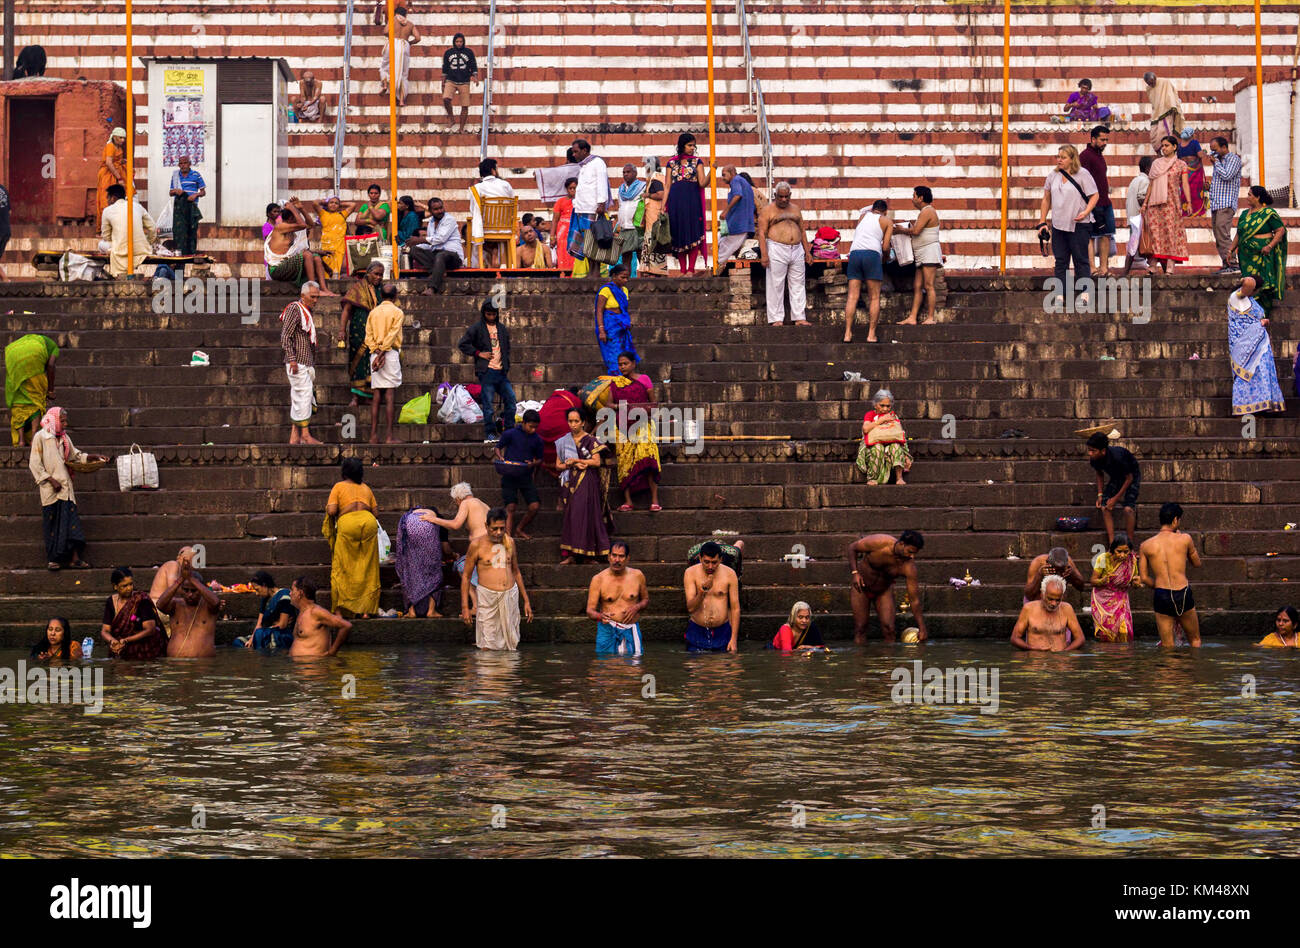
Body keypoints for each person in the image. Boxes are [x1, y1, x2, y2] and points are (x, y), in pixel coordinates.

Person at [29, 407, 101, 571]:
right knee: (53, 525)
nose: (65, 424)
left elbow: (75, 456)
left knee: (72, 524)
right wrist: (51, 480)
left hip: (66, 490)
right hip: (51, 492)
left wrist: (92, 457)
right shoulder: (41, 437)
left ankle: (74, 559)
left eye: (65, 421)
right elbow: (35, 464)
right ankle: (53, 560)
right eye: (62, 421)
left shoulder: (64, 438)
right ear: (54, 420)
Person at [461, 508, 533, 650]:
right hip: (488, 598)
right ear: (486, 526)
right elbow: (466, 576)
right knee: (488, 642)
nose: (499, 532)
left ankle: (507, 672)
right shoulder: (476, 545)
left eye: (502, 528)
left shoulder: (510, 542)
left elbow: (516, 571)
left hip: (510, 596)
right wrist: (465, 607)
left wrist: (526, 601)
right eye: (494, 529)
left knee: (511, 644)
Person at [1138, 502, 1202, 647]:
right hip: (1183, 592)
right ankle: (1194, 668)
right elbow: (1197, 563)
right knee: (1195, 640)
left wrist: (1159, 587)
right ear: (1175, 520)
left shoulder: (1146, 545)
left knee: (1168, 646)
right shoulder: (1185, 539)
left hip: (1162, 594)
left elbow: (1144, 578)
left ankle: (1169, 669)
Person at [1037, 146, 1097, 298]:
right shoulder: (1053, 176)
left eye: (1063, 157)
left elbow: (1095, 195)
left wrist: (1086, 211)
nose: (1059, 160)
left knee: (1080, 259)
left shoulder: (1083, 174)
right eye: (1058, 157)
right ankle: (1060, 294)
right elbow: (1046, 198)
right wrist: (1042, 221)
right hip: (1058, 224)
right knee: (1061, 260)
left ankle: (1085, 293)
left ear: (1072, 159)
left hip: (1080, 224)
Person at [325, 457, 381, 619]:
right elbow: (376, 513)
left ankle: (339, 611)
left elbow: (331, 511)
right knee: (367, 568)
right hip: (368, 523)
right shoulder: (366, 488)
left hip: (348, 525)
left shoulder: (339, 487)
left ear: (344, 471)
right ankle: (365, 611)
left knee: (342, 567)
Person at [848, 531, 927, 643]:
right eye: (910, 552)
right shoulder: (880, 542)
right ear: (901, 544)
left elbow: (914, 600)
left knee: (889, 629)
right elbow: (852, 548)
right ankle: (860, 660)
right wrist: (855, 573)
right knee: (860, 628)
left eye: (914, 553)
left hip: (883, 590)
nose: (911, 556)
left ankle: (889, 660)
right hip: (861, 588)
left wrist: (922, 627)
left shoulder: (909, 567)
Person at [607, 352, 662, 512]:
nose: (622, 367)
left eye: (625, 363)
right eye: (620, 364)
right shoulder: (616, 382)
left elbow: (653, 403)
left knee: (649, 457)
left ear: (633, 364)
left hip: (643, 424)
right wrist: (620, 407)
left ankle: (654, 500)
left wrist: (643, 410)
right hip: (622, 427)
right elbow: (609, 404)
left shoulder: (644, 379)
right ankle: (628, 501)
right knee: (625, 461)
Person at [458, 298, 515, 443]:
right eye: (488, 314)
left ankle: (509, 430)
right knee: (488, 405)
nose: (491, 317)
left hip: (501, 372)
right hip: (487, 372)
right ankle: (490, 432)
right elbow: (463, 344)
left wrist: (506, 365)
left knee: (511, 400)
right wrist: (478, 353)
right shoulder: (477, 328)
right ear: (484, 314)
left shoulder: (501, 329)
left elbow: (506, 348)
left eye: (493, 315)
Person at [1228, 276, 1287, 416]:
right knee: (1247, 374)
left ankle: (1263, 404)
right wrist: (1245, 281)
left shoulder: (1250, 300)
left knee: (1262, 372)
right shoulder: (1237, 297)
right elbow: (1249, 283)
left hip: (1259, 344)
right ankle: (1246, 406)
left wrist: (1261, 322)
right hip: (1244, 344)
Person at [560, 407, 613, 562]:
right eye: (570, 421)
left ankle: (589, 554)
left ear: (583, 422)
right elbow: (558, 465)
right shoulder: (564, 441)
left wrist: (578, 461)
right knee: (572, 515)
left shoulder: (590, 440)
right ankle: (572, 554)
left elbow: (596, 462)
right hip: (569, 481)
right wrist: (571, 465)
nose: (573, 424)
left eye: (576, 421)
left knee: (588, 515)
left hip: (587, 480)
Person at [757, 182, 812, 326]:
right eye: (780, 196)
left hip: (797, 249)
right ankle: (776, 319)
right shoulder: (768, 210)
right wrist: (764, 254)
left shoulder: (795, 209)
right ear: (775, 195)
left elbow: (802, 230)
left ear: (790, 196)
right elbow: (761, 233)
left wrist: (808, 252)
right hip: (776, 248)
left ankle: (800, 317)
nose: (783, 200)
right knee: (776, 284)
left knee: (798, 284)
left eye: (786, 196)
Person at [281, 281, 324, 445]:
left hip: (305, 361)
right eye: (312, 297)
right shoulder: (294, 308)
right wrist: (292, 359)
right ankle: (305, 435)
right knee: (304, 395)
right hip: (296, 361)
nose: (315, 300)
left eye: (317, 297)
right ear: (302, 296)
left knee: (300, 397)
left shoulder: (306, 311)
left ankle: (294, 436)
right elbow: (286, 336)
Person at [1232, 186, 1287, 313]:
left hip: (1262, 254)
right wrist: (1230, 250)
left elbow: (1280, 230)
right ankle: (1249, 311)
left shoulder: (1268, 213)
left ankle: (1264, 314)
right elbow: (1239, 234)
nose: (1248, 197)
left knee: (1263, 284)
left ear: (1258, 197)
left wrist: (1269, 246)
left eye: (1250, 195)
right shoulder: (1245, 214)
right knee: (1248, 283)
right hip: (1246, 257)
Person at [586, 541, 649, 655]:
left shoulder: (638, 575)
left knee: (633, 670)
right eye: (614, 555)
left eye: (621, 556)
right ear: (609, 557)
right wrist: (600, 616)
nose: (617, 560)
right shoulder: (598, 579)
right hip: (607, 630)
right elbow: (590, 611)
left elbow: (645, 600)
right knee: (605, 668)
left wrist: (637, 607)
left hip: (631, 628)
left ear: (627, 558)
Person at [844, 200, 893, 343]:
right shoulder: (887, 221)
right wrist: (886, 258)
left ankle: (847, 334)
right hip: (872, 255)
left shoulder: (863, 217)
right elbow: (885, 247)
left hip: (855, 254)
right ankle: (871, 335)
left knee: (852, 297)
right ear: (885, 211)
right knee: (874, 297)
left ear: (873, 209)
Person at [1143, 135, 1192, 273]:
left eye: (1167, 145)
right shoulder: (1156, 164)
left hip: (1171, 204)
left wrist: (1188, 202)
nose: (1163, 148)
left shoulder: (1181, 164)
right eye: (1162, 146)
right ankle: (1152, 265)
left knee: (1170, 234)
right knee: (1154, 234)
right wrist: (1145, 203)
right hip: (1155, 204)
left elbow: (1185, 184)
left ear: (1174, 147)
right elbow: (1151, 184)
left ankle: (1170, 266)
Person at [664, 133, 711, 274]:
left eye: (693, 145)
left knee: (693, 234)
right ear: (681, 146)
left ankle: (691, 269)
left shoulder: (698, 162)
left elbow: (702, 183)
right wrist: (662, 208)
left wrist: (711, 172)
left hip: (692, 203)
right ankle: (683, 270)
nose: (692, 148)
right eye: (689, 145)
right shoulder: (671, 163)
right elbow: (667, 186)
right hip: (675, 204)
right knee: (678, 234)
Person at [895, 186, 942, 325]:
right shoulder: (924, 211)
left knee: (928, 285)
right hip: (921, 253)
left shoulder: (928, 211)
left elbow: (916, 231)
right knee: (917, 286)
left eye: (914, 196)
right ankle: (912, 317)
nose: (912, 199)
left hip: (929, 252)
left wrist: (902, 230)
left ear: (921, 198)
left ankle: (930, 318)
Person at [339, 261, 383, 408]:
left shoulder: (382, 290)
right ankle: (356, 397)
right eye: (376, 274)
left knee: (371, 365)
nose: (379, 277)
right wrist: (341, 330)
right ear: (368, 273)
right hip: (358, 331)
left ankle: (368, 396)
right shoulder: (357, 288)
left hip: (376, 333)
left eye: (381, 275)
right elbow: (346, 309)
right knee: (357, 363)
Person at [365, 282, 405, 443]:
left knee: (376, 394)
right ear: (395, 297)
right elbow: (392, 334)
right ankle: (389, 436)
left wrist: (376, 352)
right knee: (389, 394)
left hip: (375, 355)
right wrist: (383, 352)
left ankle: (373, 435)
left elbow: (368, 336)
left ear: (381, 296)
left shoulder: (373, 313)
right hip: (389, 354)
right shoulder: (398, 312)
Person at [683, 541, 741, 651]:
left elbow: (735, 608)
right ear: (700, 558)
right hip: (697, 630)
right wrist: (703, 591)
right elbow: (690, 608)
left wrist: (733, 639)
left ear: (720, 559)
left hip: (722, 631)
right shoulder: (690, 573)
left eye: (714, 562)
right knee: (694, 666)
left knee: (723, 666)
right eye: (706, 562)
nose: (710, 566)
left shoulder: (730, 574)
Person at [156, 559, 220, 657]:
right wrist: (181, 579)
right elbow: (160, 604)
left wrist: (192, 579)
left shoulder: (208, 606)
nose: (189, 594)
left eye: (194, 591)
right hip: (175, 666)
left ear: (200, 589)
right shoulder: (175, 604)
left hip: (203, 667)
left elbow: (216, 603)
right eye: (186, 590)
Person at [265, 199, 333, 290]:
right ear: (290, 219)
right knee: (307, 254)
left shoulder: (293, 231)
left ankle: (323, 289)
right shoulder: (281, 227)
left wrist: (301, 209)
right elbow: (303, 225)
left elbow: (310, 225)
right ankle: (311, 288)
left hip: (287, 266)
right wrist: (293, 209)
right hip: (276, 269)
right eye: (296, 217)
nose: (299, 219)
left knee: (316, 257)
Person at [497, 409, 544, 539]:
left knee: (534, 506)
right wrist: (500, 457)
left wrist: (533, 464)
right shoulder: (511, 434)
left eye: (536, 427)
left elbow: (540, 459)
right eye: (531, 426)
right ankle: (507, 538)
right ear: (523, 423)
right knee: (511, 507)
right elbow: (498, 447)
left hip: (526, 476)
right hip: (509, 474)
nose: (533, 430)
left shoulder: (538, 440)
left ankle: (519, 529)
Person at [100, 567, 167, 660]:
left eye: (130, 584)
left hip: (144, 650)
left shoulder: (141, 600)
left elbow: (150, 629)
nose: (129, 588)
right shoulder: (110, 602)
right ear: (115, 586)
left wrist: (127, 640)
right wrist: (113, 641)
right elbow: (105, 630)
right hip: (120, 650)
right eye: (124, 586)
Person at [5, 333, 58, 446]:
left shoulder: (29, 341)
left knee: (19, 404)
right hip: (35, 360)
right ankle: (34, 436)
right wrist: (51, 390)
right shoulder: (54, 347)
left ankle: (21, 440)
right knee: (35, 402)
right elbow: (51, 365)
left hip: (14, 355)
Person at [1087, 432, 1140, 543]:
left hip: (1131, 474)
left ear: (1103, 451)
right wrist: (1100, 494)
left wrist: (1115, 499)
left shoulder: (1118, 457)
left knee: (1128, 509)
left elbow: (1129, 479)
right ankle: (1112, 544)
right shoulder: (1094, 459)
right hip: (1116, 476)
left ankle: (1129, 546)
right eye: (1089, 450)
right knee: (1104, 507)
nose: (1090, 453)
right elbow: (1099, 474)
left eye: (1093, 450)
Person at [569, 139, 611, 279]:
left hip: (593, 209)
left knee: (594, 241)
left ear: (585, 150)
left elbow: (602, 183)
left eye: (576, 151)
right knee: (586, 243)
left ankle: (596, 271)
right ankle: (591, 271)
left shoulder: (597, 163)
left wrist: (601, 203)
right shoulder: (583, 166)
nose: (573, 154)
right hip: (581, 209)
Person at [1011, 575, 1086, 651]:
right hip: (1036, 659)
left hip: (1060, 660)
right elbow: (1015, 638)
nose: (1054, 604)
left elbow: (1080, 638)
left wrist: (1065, 653)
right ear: (1042, 594)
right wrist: (1032, 649)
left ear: (1062, 597)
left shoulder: (1067, 609)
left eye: (1058, 600)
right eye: (1050, 599)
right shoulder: (1029, 609)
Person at [395, 508, 447, 618]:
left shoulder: (412, 513)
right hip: (428, 530)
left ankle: (411, 610)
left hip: (408, 524)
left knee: (410, 571)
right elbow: (444, 546)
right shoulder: (438, 519)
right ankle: (431, 611)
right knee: (434, 573)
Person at [99, 184, 158, 279]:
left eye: (108, 198)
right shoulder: (137, 206)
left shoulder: (107, 211)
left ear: (113, 198)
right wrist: (148, 243)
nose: (107, 201)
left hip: (119, 250)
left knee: (101, 244)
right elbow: (153, 228)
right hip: (141, 250)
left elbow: (106, 236)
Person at [1090, 533, 1141, 642]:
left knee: (1124, 632)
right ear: (1113, 549)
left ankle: (1122, 657)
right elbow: (1092, 581)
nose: (1122, 555)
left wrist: (1136, 583)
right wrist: (1103, 580)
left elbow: (1132, 580)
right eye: (1119, 551)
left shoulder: (1132, 561)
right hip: (1103, 600)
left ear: (1130, 551)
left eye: (1126, 552)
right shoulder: (1103, 559)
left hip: (1121, 599)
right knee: (1105, 633)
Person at [408, 196, 464, 294]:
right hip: (437, 256)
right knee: (413, 250)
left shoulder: (449, 219)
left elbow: (440, 239)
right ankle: (438, 272)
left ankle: (432, 288)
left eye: (441, 208)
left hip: (452, 256)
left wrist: (420, 239)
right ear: (430, 210)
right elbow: (431, 245)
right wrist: (414, 244)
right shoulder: (431, 222)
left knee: (441, 254)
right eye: (436, 209)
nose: (439, 211)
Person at [1078, 126, 1115, 277]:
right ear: (1093, 139)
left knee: (1107, 234)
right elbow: (1082, 180)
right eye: (1102, 139)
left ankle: (1104, 268)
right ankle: (1092, 269)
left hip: (1105, 201)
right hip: (1091, 203)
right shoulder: (1085, 156)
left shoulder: (1099, 155)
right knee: (1091, 236)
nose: (1105, 142)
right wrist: (1089, 203)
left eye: (1106, 140)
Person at [857, 387, 912, 485]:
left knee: (896, 447)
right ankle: (872, 478)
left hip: (890, 445)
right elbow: (865, 429)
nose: (885, 409)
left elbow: (898, 434)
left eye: (888, 406)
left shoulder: (892, 415)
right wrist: (880, 421)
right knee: (878, 448)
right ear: (875, 404)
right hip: (873, 444)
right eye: (882, 405)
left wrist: (905, 455)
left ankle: (899, 478)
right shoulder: (870, 415)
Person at [289, 576, 353, 658]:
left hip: (314, 667)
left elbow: (346, 626)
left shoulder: (316, 612)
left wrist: (332, 652)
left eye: (292, 590)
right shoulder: (302, 612)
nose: (290, 593)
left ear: (300, 593)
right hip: (300, 667)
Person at [468, 157, 516, 267]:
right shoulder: (506, 185)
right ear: (493, 170)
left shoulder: (477, 188)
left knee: (473, 227)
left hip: (485, 229)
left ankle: (477, 266)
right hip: (506, 228)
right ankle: (504, 263)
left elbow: (473, 211)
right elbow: (513, 204)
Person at [235, 571, 298, 650]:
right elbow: (259, 624)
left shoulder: (284, 596)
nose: (257, 594)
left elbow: (282, 625)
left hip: (281, 634)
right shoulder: (265, 599)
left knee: (259, 634)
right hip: (266, 632)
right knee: (239, 641)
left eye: (257, 590)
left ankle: (262, 657)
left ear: (264, 585)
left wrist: (265, 630)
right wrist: (251, 640)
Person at [301, 194, 360, 278]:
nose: (333, 204)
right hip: (327, 246)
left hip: (339, 247)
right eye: (331, 202)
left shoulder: (342, 215)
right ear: (327, 204)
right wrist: (325, 202)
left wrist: (340, 204)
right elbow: (314, 203)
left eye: (336, 203)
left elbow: (353, 205)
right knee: (326, 269)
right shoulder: (323, 214)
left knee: (337, 270)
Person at [1208, 137, 1243, 273]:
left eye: (1215, 150)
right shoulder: (1220, 161)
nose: (1213, 154)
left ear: (1224, 147)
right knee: (1218, 235)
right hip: (1216, 203)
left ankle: (1233, 263)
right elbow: (1221, 183)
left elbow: (1227, 175)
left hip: (1226, 203)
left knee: (1223, 232)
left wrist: (1215, 163)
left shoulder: (1233, 159)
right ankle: (1226, 264)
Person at [376, 2, 420, 107]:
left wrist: (391, 34)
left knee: (385, 67)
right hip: (404, 45)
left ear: (396, 13)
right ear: (405, 15)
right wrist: (410, 43)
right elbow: (418, 38)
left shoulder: (393, 20)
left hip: (392, 43)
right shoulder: (410, 24)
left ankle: (385, 85)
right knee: (403, 74)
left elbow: (385, 31)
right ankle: (401, 101)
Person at [595, 264, 636, 372]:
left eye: (627, 277)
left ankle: (624, 379)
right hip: (609, 326)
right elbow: (599, 311)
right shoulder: (606, 290)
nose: (625, 280)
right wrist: (601, 330)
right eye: (622, 277)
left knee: (625, 353)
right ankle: (616, 378)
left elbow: (623, 309)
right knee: (613, 354)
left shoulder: (625, 290)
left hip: (622, 326)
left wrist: (627, 322)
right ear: (614, 276)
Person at [1121, 155, 1154, 275]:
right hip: (1139, 219)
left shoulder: (1135, 180)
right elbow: (1141, 198)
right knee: (1138, 245)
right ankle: (1125, 272)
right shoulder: (1145, 181)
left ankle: (1152, 268)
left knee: (1138, 245)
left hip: (1133, 217)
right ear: (1147, 168)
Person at [167, 155, 206, 258]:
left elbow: (203, 192)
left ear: (189, 164)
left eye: (185, 163)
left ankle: (191, 254)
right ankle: (180, 258)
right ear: (179, 165)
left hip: (191, 208)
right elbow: (170, 192)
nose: (183, 165)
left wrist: (195, 195)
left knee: (191, 232)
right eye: (181, 163)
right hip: (179, 210)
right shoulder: (175, 176)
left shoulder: (196, 175)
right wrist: (177, 191)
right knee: (180, 234)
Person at [717, 165, 756, 265]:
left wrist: (725, 211)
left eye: (724, 175)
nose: (723, 178)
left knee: (723, 249)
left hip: (739, 224)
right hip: (740, 224)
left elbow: (738, 195)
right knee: (720, 240)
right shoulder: (744, 183)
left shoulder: (736, 180)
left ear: (731, 173)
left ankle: (715, 271)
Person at [613, 163, 646, 276]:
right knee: (626, 255)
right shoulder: (621, 189)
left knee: (641, 253)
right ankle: (627, 281)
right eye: (624, 172)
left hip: (638, 226)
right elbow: (620, 206)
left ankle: (644, 281)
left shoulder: (643, 187)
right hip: (624, 227)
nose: (625, 174)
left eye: (628, 172)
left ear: (635, 173)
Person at [638, 159, 670, 276]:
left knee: (653, 242)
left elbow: (661, 194)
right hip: (654, 217)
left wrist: (647, 195)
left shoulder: (656, 177)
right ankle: (651, 270)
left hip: (654, 218)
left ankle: (654, 271)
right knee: (653, 243)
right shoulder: (658, 176)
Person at [1023, 547, 1087, 603]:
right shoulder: (1037, 563)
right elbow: (1029, 595)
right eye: (1055, 569)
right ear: (1047, 562)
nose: (1057, 572)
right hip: (1035, 601)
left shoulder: (1068, 564)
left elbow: (1081, 587)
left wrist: (1073, 574)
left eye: (1060, 569)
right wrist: (1039, 575)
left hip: (1057, 602)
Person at [441, 33, 478, 132]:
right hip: (451, 80)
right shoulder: (448, 53)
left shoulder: (469, 52)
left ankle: (461, 128)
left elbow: (473, 65)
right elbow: (445, 68)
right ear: (454, 42)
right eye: (457, 41)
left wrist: (475, 77)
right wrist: (443, 82)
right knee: (446, 98)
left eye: (461, 41)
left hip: (464, 81)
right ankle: (452, 119)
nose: (459, 43)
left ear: (463, 42)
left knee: (465, 105)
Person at [1143, 72, 1184, 153]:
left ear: (1155, 78)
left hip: (1166, 112)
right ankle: (1160, 154)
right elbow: (1154, 101)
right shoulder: (1148, 88)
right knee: (1154, 136)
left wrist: (1171, 106)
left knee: (1164, 135)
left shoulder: (1165, 82)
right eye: (1149, 83)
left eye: (1153, 82)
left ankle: (1168, 152)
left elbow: (1172, 95)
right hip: (1156, 114)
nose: (1152, 84)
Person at [95, 128, 127, 228]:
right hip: (107, 175)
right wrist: (120, 178)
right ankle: (103, 228)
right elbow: (109, 163)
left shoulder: (119, 148)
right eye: (120, 137)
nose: (123, 140)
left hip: (116, 174)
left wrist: (122, 162)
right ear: (114, 137)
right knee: (105, 200)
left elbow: (115, 161)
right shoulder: (110, 146)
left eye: (124, 138)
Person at [1177, 129, 1209, 217]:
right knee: (1195, 191)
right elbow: (1200, 155)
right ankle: (1195, 211)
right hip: (1195, 173)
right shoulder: (1194, 143)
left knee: (1184, 190)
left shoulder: (1179, 146)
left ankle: (1185, 211)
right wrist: (1205, 152)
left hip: (1184, 170)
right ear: (1191, 135)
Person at [551, 177, 579, 274]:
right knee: (563, 253)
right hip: (562, 232)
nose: (572, 190)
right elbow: (555, 220)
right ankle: (563, 275)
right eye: (570, 188)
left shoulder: (581, 201)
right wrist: (552, 236)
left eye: (574, 188)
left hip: (576, 230)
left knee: (574, 253)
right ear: (566, 189)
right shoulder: (560, 201)